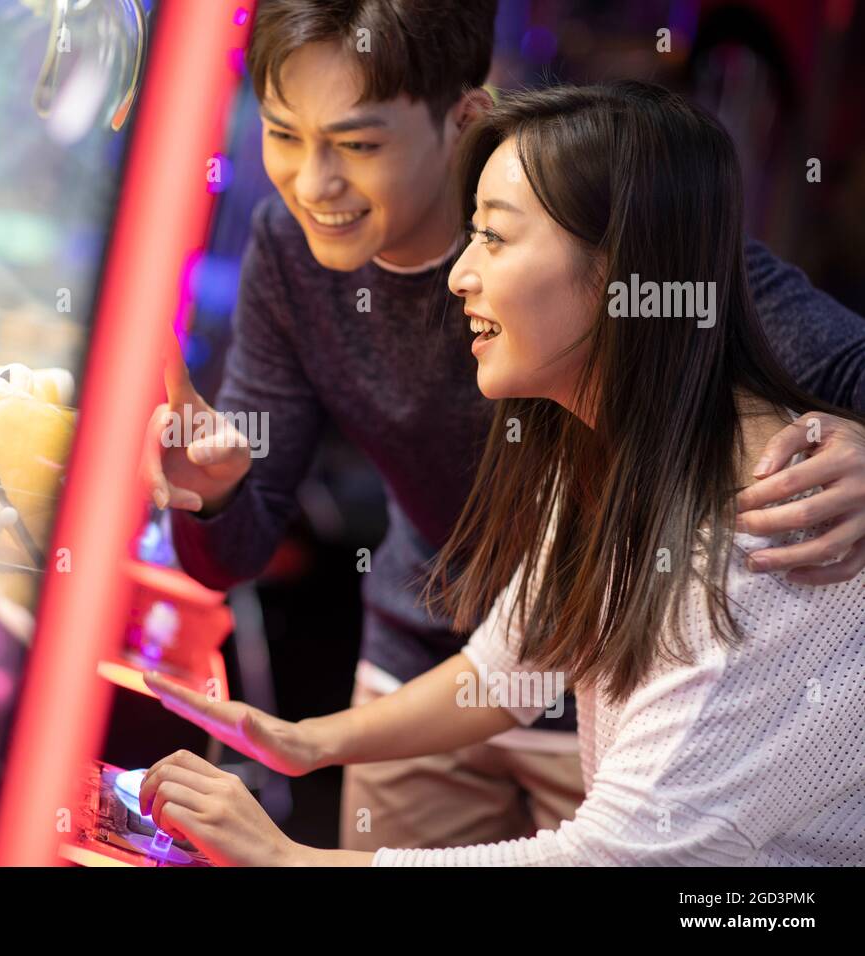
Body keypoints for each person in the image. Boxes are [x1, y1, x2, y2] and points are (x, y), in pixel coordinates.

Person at [144, 0, 865, 854]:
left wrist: (286, 857)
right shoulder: (587, 446)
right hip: (440, 669)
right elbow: (511, 661)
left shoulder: (744, 537)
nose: (313, 184)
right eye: (283, 135)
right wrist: (301, 733)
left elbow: (607, 855)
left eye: (360, 143)